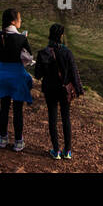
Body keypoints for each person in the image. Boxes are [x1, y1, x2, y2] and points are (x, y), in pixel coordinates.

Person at [34, 23, 84, 160]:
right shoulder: (67, 52)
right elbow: (74, 72)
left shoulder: (43, 53)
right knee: (66, 118)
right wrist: (79, 90)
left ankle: (56, 151)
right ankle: (67, 151)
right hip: (64, 90)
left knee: (52, 118)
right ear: (61, 36)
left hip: (50, 90)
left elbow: (38, 75)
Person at [0, 8, 34, 152]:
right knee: (17, 110)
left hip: (3, 74)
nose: (20, 21)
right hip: (16, 75)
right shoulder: (21, 38)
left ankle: (3, 139)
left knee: (4, 108)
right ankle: (18, 142)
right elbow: (30, 55)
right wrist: (24, 38)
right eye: (19, 18)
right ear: (13, 21)